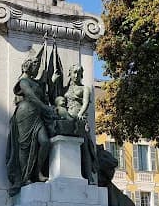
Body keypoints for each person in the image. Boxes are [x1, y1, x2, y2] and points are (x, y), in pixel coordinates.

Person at [5, 54, 55, 195]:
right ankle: (24, 177)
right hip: (25, 113)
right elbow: (31, 96)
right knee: (24, 147)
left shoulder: (36, 83)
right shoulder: (23, 82)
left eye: (38, 66)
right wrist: (45, 107)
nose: (37, 69)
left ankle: (37, 171)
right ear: (28, 66)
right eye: (36, 66)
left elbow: (42, 97)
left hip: (37, 115)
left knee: (45, 142)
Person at [63, 63, 97, 185]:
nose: (76, 75)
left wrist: (80, 113)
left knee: (84, 147)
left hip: (79, 118)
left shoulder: (85, 89)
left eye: (79, 73)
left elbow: (86, 103)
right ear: (70, 74)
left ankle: (89, 176)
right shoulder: (66, 89)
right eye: (74, 72)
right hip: (67, 117)